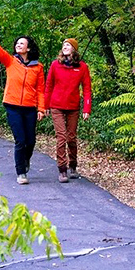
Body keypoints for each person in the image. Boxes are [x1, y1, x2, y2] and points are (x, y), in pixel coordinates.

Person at [0, 19, 45, 185]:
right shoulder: (11, 61)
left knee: (31, 141)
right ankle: (21, 173)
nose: (18, 45)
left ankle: (25, 161)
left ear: (28, 48)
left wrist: (41, 109)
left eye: (22, 43)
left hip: (30, 108)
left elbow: (40, 89)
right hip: (13, 106)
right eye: (17, 43)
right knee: (21, 140)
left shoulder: (38, 67)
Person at [45, 38, 92, 183]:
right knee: (61, 137)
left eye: (68, 45)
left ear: (74, 49)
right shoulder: (55, 65)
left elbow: (87, 89)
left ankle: (73, 166)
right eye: (64, 45)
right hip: (57, 106)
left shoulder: (82, 67)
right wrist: (45, 106)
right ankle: (62, 169)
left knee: (71, 138)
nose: (65, 47)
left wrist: (87, 108)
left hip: (73, 107)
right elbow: (48, 86)